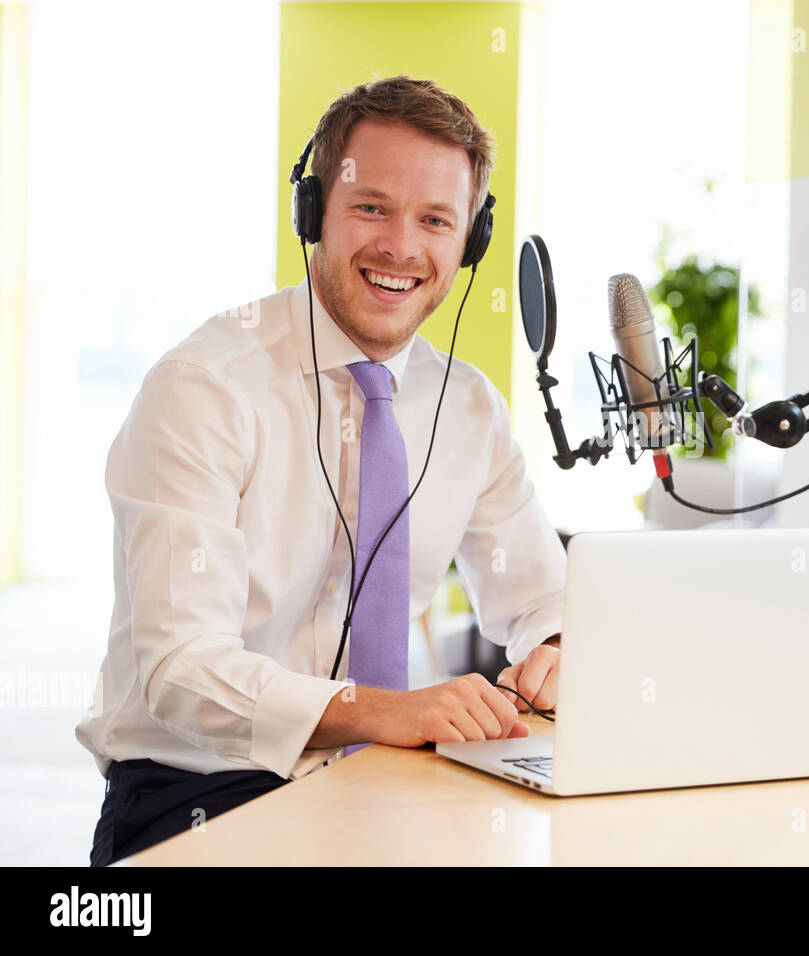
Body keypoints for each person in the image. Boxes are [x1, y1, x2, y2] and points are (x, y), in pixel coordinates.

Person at [77, 75, 566, 866]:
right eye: (371, 207)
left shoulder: (468, 408)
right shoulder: (204, 387)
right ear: (315, 213)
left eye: (436, 220)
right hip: (198, 790)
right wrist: (383, 711)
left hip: (389, 780)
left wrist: (558, 647)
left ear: (469, 241)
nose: (402, 247)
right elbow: (179, 669)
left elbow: (545, 599)